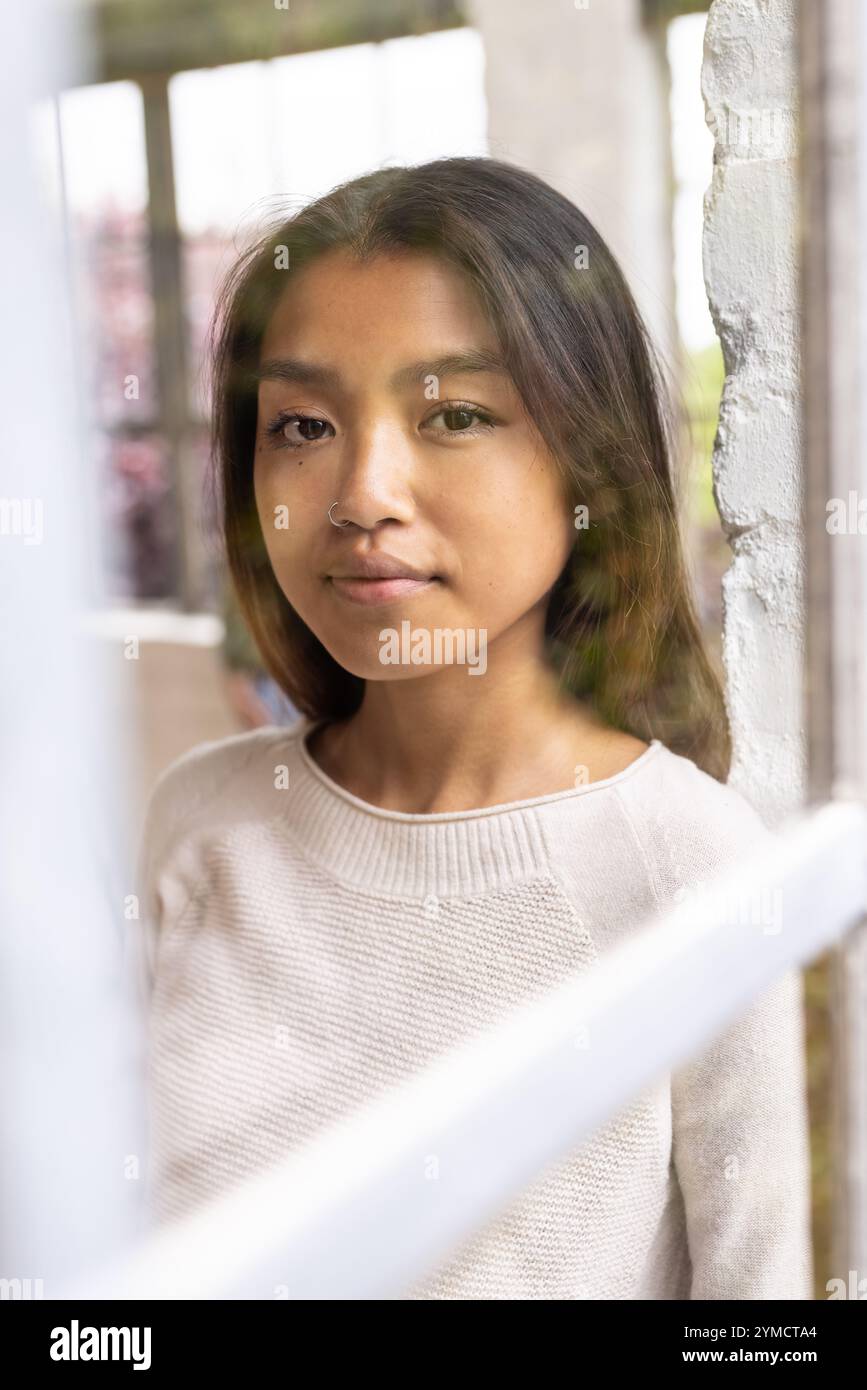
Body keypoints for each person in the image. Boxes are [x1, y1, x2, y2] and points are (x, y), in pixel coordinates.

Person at [134, 156, 812, 1299]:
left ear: (587, 457)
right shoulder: (199, 819)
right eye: (300, 423)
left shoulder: (695, 874)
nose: (361, 493)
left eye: (453, 413)